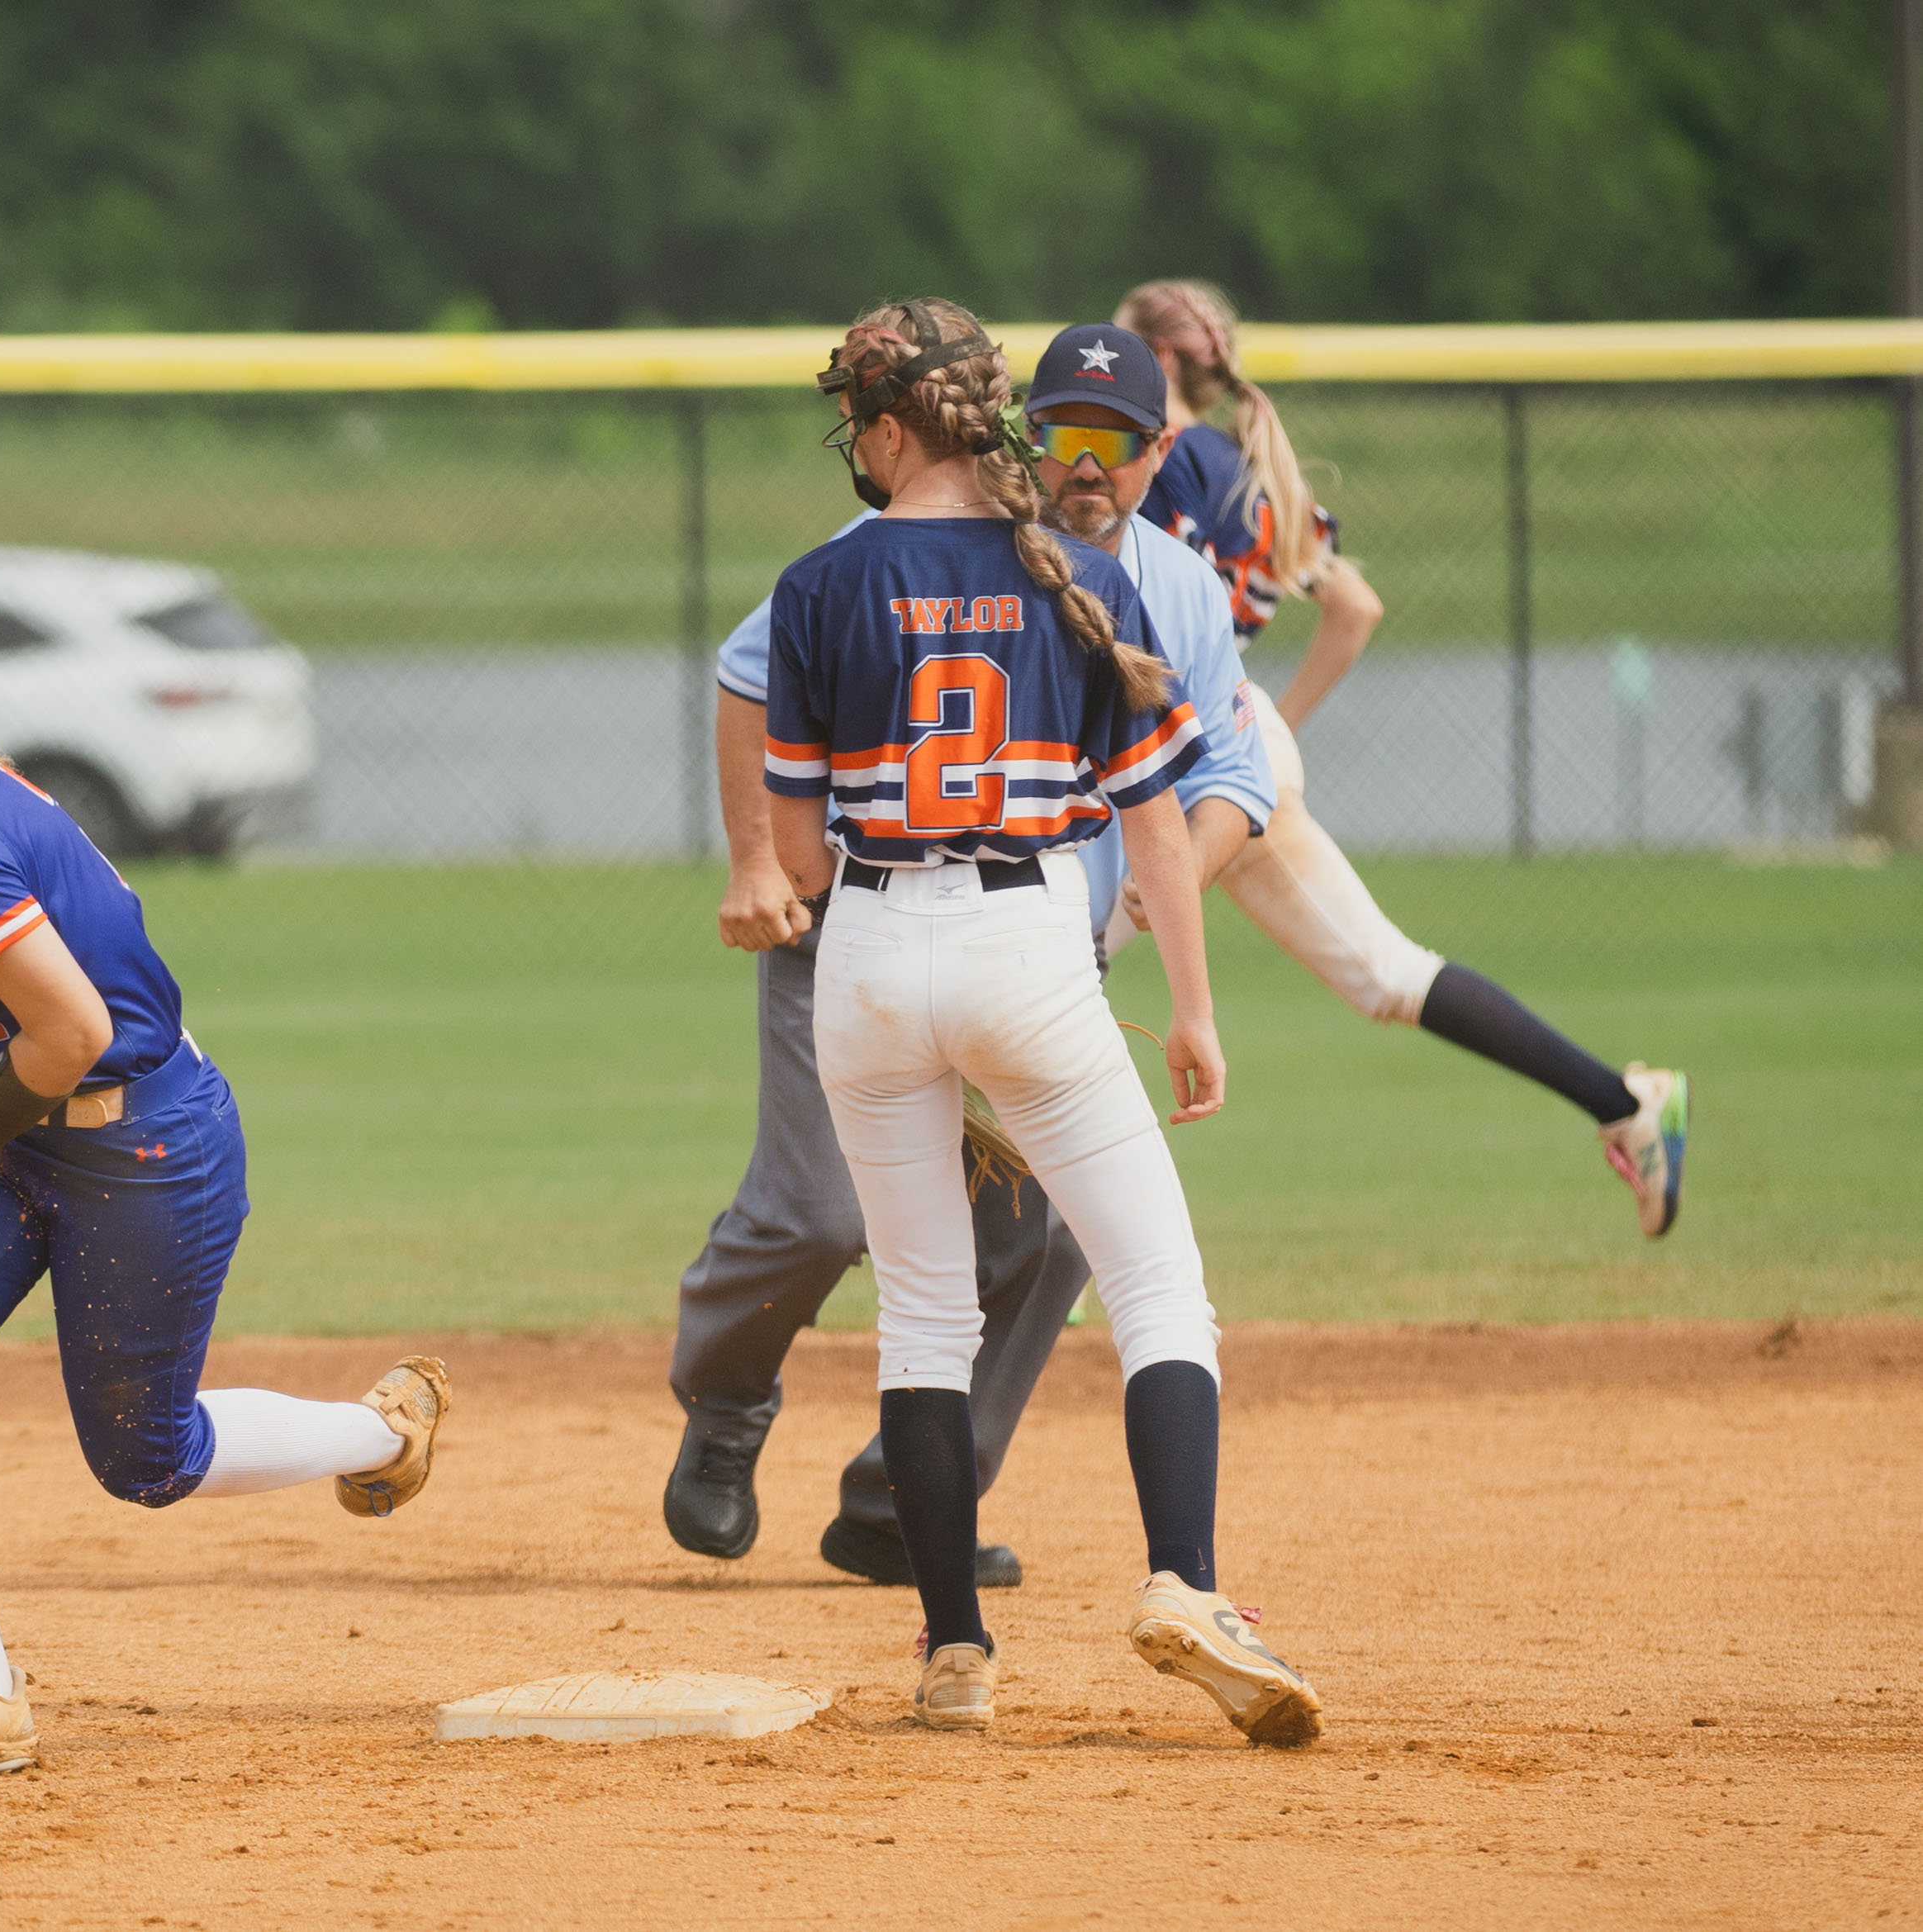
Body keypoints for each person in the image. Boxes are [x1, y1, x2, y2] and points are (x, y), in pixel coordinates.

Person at [0, 548, 452, 1778]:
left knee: (146, 1460)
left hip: (142, 1145)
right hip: (9, 1128)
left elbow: (74, 1033)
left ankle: (381, 1432)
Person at [765, 297, 1321, 1743]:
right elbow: (1149, 828)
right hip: (1027, 941)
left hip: (872, 955)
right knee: (1152, 1289)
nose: (850, 444)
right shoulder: (1072, 571)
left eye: (854, 421)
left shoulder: (817, 586)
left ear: (894, 427)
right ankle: (1185, 1584)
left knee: (922, 1317)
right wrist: (1190, 1008)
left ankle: (952, 1650)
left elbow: (800, 855)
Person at [663, 329, 1275, 1597]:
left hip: (916, 947)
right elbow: (1152, 806)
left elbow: (1222, 779)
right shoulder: (1048, 576)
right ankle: (730, 1403)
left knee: (989, 1276)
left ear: (1164, 451)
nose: (1087, 459)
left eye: (1116, 438)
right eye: (1066, 430)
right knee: (876, 1227)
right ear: (1014, 427)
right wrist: (761, 873)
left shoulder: (1123, 582)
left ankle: (922, 1563)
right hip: (984, 950)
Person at [1113, 278, 1689, 1237]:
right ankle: (1627, 1105)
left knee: (1036, 985)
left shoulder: (1143, 464)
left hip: (1159, 764)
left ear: (1160, 363)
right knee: (1390, 975)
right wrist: (1262, 733)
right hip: (1235, 744)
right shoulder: (1239, 466)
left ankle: (1049, 1255)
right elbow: (1356, 608)